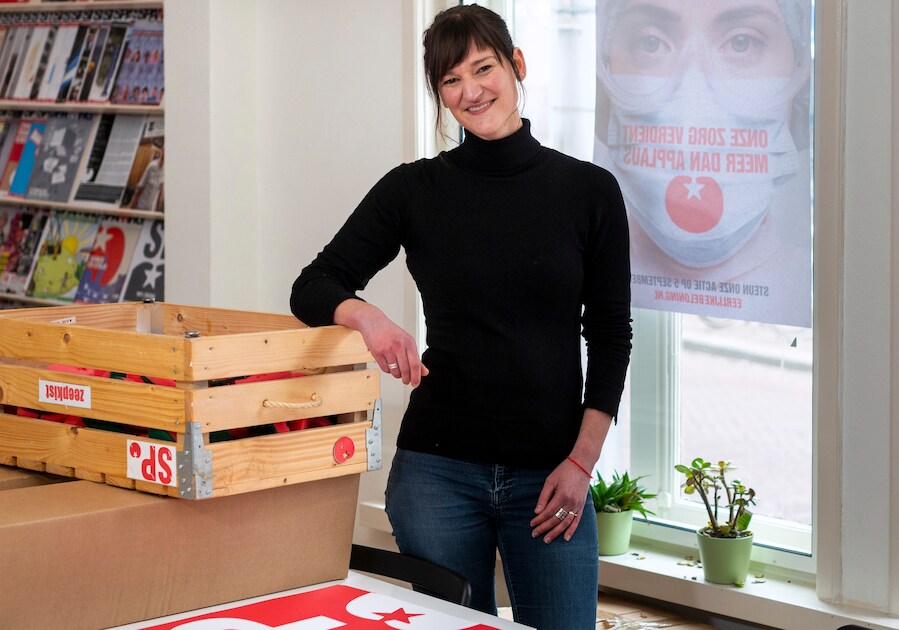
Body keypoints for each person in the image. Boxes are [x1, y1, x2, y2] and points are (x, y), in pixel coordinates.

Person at [289, 5, 632, 628]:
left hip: (551, 473)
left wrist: (582, 461)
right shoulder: (414, 189)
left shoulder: (589, 191)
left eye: (484, 67)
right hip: (437, 476)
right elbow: (314, 284)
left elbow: (611, 335)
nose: (472, 91)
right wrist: (369, 318)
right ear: (440, 95)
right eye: (451, 80)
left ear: (516, 65)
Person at [595, 0, 813, 326]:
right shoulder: (586, 269)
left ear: (797, 68)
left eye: (742, 42)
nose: (693, 110)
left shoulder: (812, 287)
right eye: (651, 43)